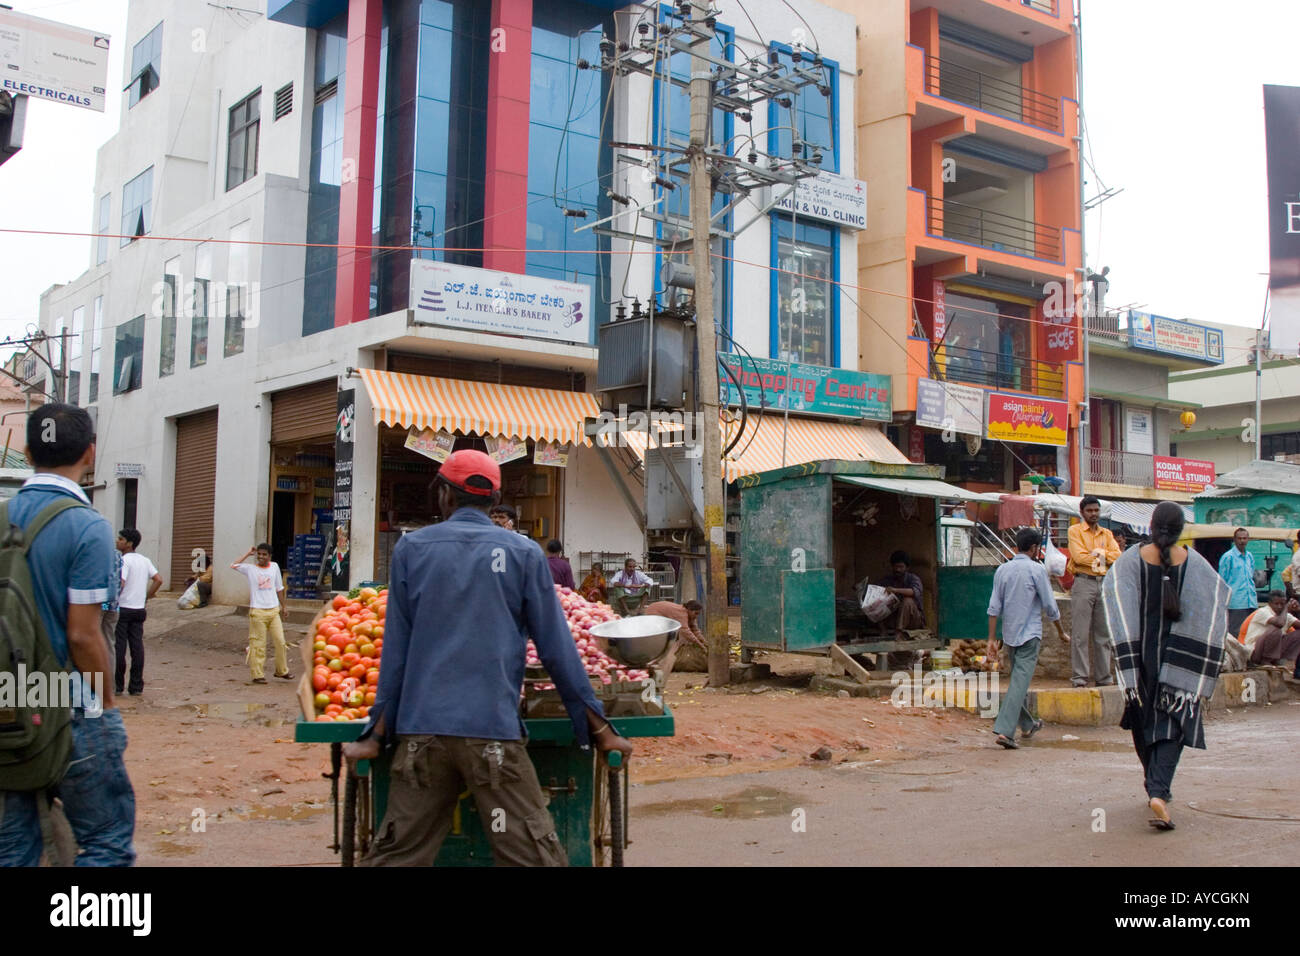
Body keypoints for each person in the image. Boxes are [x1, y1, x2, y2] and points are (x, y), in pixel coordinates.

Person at [341, 450, 632, 866]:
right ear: (494, 501)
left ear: (443, 495)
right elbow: (556, 649)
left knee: (399, 855)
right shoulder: (524, 553)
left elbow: (396, 651)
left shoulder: (412, 549)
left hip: (423, 737)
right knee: (530, 855)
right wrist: (600, 728)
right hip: (492, 738)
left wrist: (373, 734)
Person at [0, 403, 135, 866]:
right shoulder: (88, 526)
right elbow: (82, 636)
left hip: (8, 702)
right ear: (90, 453)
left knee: (13, 847)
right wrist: (108, 706)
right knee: (104, 841)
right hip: (72, 703)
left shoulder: (2, 517)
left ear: (25, 448)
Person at [1103, 500, 1229, 831]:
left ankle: (1154, 785)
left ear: (1152, 525)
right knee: (1174, 724)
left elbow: (1113, 596)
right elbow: (1216, 601)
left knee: (1143, 721)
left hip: (1142, 661)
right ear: (1180, 530)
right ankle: (1159, 789)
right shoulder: (1195, 563)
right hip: (1179, 661)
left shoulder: (1130, 561)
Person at [986, 528, 1069, 750]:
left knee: (1017, 684)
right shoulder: (1037, 570)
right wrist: (1061, 631)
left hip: (1010, 636)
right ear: (1033, 549)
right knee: (1018, 685)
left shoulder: (1002, 570)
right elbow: (1050, 606)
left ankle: (1028, 724)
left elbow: (993, 608)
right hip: (1030, 635)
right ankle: (1005, 731)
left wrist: (991, 639)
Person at [1067, 495, 1121, 687]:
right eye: (1089, 510)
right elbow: (1079, 558)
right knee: (1080, 634)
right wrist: (1105, 555)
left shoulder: (1107, 533)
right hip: (1084, 583)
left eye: (1096, 510)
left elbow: (1118, 555)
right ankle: (1080, 677)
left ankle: (1104, 677)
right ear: (1082, 513)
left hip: (1104, 583)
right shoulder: (1074, 531)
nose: (1093, 514)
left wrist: (1097, 554)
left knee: (1103, 634)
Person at [229, 543, 291, 684]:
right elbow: (233, 565)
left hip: (274, 610)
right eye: (259, 554)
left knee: (280, 642)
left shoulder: (274, 567)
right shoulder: (250, 569)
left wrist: (284, 607)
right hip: (257, 612)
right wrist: (247, 554)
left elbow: (279, 588)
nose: (261, 557)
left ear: (269, 556)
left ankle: (282, 671)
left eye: (264, 554)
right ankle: (257, 675)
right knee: (258, 645)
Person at [113, 529, 161, 697]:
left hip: (123, 608)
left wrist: (112, 599)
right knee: (137, 647)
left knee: (119, 647)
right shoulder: (145, 560)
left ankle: (117, 685)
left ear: (129, 543)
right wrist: (147, 596)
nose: (117, 541)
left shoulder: (123, 561)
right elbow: (158, 579)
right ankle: (136, 686)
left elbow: (121, 582)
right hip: (139, 609)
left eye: (121, 539)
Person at [644, 599, 706, 674]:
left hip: (658, 613)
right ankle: (654, 662)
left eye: (698, 614)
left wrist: (705, 642)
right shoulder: (682, 613)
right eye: (695, 613)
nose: (696, 616)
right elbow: (686, 632)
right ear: (689, 610)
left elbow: (695, 630)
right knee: (663, 640)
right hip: (653, 613)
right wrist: (700, 645)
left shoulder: (690, 616)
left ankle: (658, 661)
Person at [1218, 528, 1257, 637]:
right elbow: (1222, 582)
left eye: (1244, 538)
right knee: (1236, 633)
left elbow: (1251, 577)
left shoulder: (1249, 556)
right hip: (1236, 603)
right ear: (1234, 540)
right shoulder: (1228, 557)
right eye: (1239, 538)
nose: (1242, 541)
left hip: (1251, 601)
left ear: (1248, 539)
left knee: (1251, 633)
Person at [1243, 590, 1300, 666]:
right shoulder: (1263, 612)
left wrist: (1298, 610)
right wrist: (1286, 609)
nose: (1279, 607)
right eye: (1276, 604)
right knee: (1276, 630)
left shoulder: (1285, 615)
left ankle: (1280, 660)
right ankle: (1265, 661)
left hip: (1273, 652)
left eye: (1282, 604)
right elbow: (1279, 624)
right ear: (1269, 604)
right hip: (1255, 652)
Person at [879, 550, 926, 636]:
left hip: (913, 621)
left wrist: (895, 590)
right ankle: (883, 631)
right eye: (895, 567)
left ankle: (899, 632)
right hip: (894, 619)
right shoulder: (887, 580)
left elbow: (914, 591)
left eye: (901, 567)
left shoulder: (913, 578)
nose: (898, 569)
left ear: (907, 568)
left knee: (907, 601)